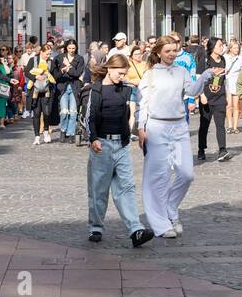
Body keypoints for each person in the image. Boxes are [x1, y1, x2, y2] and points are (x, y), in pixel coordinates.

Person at [137, 34, 220, 238]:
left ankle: (171, 208)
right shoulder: (150, 74)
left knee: (186, 173)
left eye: (175, 50)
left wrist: (206, 75)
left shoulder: (182, 70)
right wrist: (141, 127)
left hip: (179, 126)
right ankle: (161, 223)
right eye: (168, 51)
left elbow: (191, 90)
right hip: (157, 127)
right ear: (158, 52)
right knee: (159, 177)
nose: (172, 54)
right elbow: (143, 102)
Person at [84, 55, 155, 248]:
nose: (122, 77)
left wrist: (141, 127)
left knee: (126, 188)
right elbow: (89, 117)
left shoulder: (126, 89)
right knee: (98, 189)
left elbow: (142, 102)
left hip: (122, 144)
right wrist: (93, 139)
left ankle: (135, 230)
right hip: (102, 145)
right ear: (110, 68)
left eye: (125, 73)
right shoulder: (96, 89)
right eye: (120, 73)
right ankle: (96, 228)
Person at [197, 37, 232, 162]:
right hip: (206, 97)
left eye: (222, 45)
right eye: (219, 45)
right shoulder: (204, 61)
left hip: (220, 98)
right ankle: (201, 149)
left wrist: (227, 95)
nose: (222, 47)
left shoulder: (223, 60)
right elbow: (198, 80)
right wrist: (201, 95)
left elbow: (224, 80)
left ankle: (222, 150)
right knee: (204, 125)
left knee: (220, 125)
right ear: (212, 47)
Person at [58, 39, 87, 143]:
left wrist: (68, 67)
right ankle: (63, 130)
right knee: (64, 112)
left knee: (73, 113)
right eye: (69, 48)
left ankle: (71, 134)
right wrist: (63, 70)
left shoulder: (79, 58)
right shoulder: (60, 58)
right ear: (66, 48)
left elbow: (77, 73)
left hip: (75, 87)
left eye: (73, 48)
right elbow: (56, 72)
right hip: (63, 87)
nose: (71, 50)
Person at [28, 44, 58, 145]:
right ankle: (37, 136)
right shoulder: (33, 60)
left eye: (50, 54)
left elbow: (55, 75)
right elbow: (26, 72)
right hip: (35, 90)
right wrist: (36, 77)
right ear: (41, 52)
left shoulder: (51, 62)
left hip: (47, 91)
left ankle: (46, 132)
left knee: (47, 112)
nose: (48, 56)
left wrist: (62, 71)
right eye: (46, 54)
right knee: (36, 114)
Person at [224, 38, 242, 134]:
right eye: (235, 48)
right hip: (228, 81)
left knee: (236, 105)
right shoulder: (225, 57)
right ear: (230, 48)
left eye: (238, 48)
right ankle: (229, 125)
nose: (237, 50)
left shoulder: (240, 58)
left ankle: (235, 127)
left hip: (236, 82)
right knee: (229, 105)